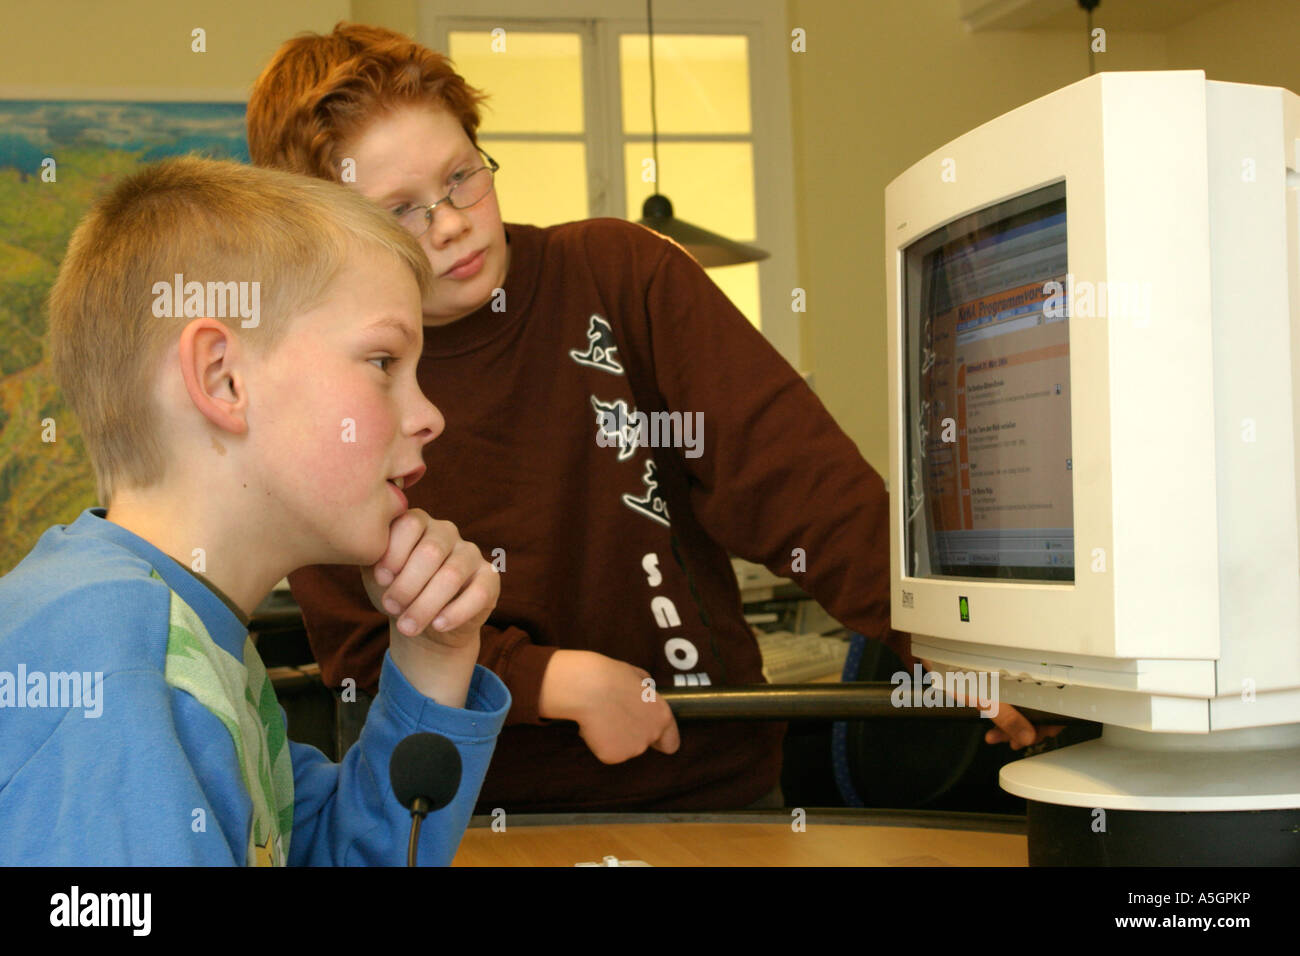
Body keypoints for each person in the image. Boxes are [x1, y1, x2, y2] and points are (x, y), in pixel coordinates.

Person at [246, 23, 1058, 813]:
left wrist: (955, 652)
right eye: (402, 211)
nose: (452, 222)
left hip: (712, 784)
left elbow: (802, 485)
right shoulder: (319, 375)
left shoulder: (619, 274)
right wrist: (551, 681)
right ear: (331, 228)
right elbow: (356, 646)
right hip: (468, 811)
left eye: (462, 176)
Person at [0, 156, 508, 865]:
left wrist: (432, 659)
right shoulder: (118, 672)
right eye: (385, 362)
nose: (430, 416)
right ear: (223, 378)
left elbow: (332, 855)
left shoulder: (184, 635)